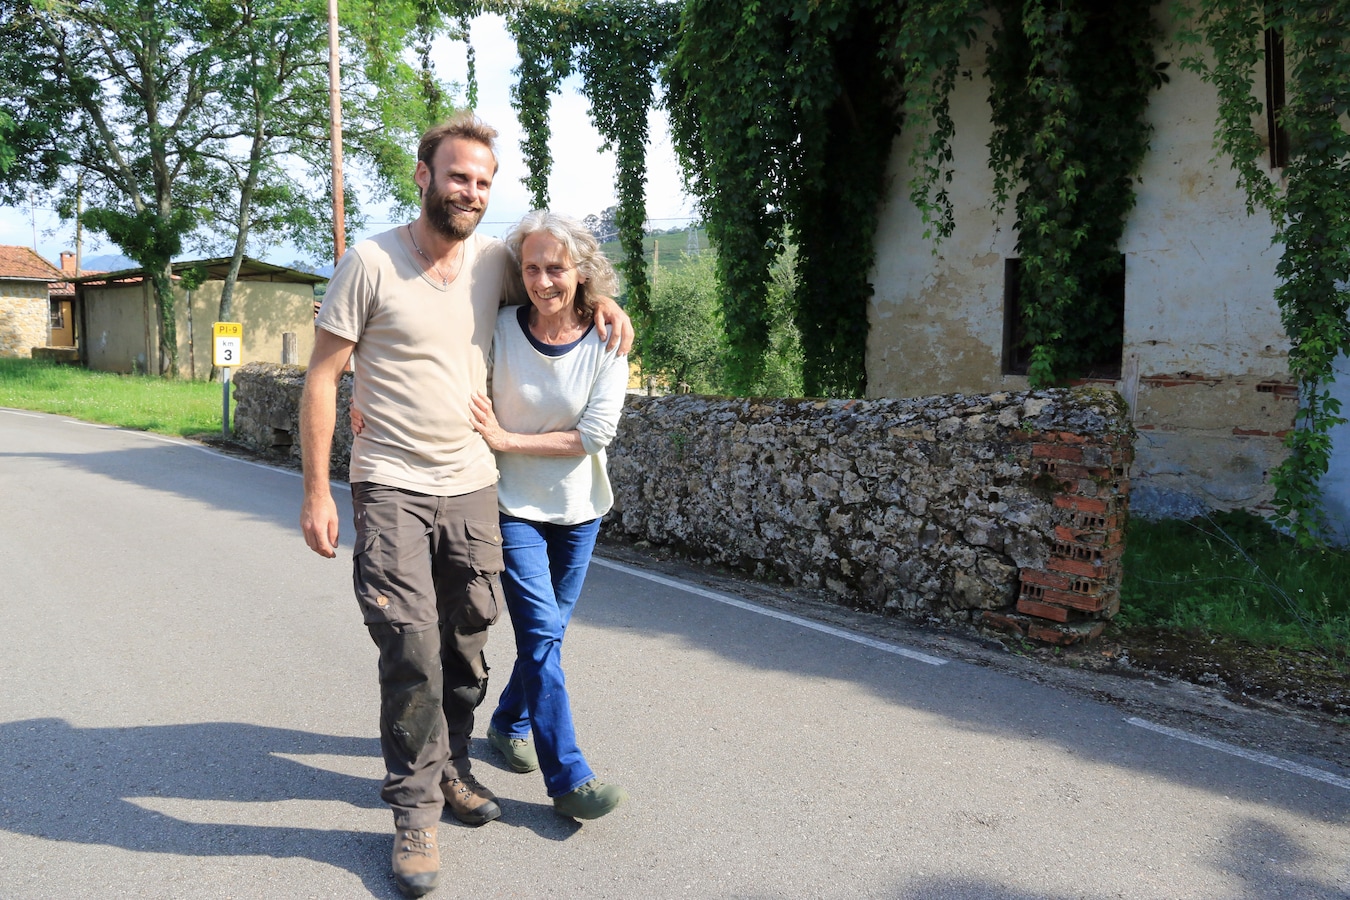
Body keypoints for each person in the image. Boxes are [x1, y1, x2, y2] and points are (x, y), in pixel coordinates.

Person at [298, 113, 631, 899]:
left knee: (468, 648)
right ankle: (414, 812)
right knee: (408, 645)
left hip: (475, 486)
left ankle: (450, 767)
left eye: (483, 182)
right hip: (389, 481)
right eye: (457, 177)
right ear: (424, 175)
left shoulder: (495, 264)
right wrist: (317, 489)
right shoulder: (370, 262)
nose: (470, 193)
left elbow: (568, 292)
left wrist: (616, 312)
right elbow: (321, 378)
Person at [472, 210, 630, 820]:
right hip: (513, 509)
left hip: (580, 511)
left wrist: (506, 438)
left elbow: (594, 435)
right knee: (540, 635)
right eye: (532, 268)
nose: (543, 281)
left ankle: (507, 719)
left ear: (581, 271)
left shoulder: (607, 339)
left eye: (556, 268)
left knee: (548, 639)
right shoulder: (502, 327)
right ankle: (570, 777)